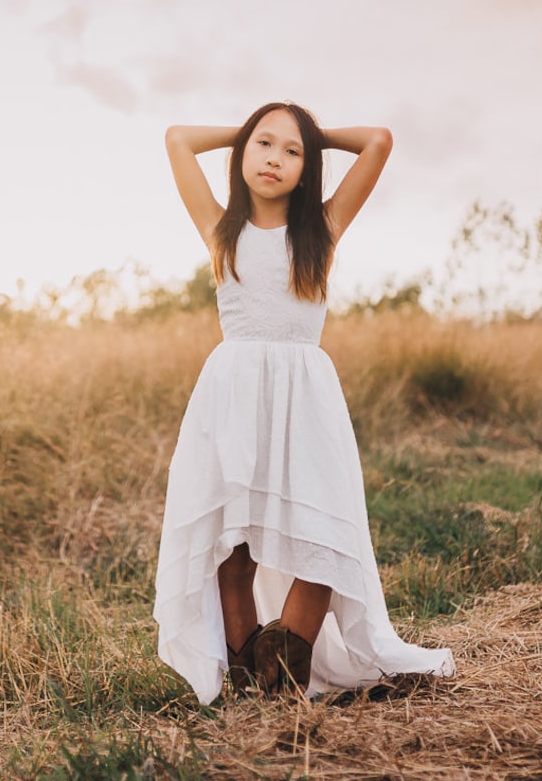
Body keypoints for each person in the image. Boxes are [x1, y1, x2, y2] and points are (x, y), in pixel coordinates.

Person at [154, 102, 456, 702]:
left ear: (306, 167)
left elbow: (378, 140)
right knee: (233, 550)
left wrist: (312, 135)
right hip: (232, 399)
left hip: (307, 399)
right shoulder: (221, 230)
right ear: (243, 153)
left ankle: (287, 671)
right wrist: (247, 129)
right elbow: (178, 138)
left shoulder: (321, 228)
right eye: (263, 144)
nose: (275, 159)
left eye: (293, 152)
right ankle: (250, 684)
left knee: (324, 539)